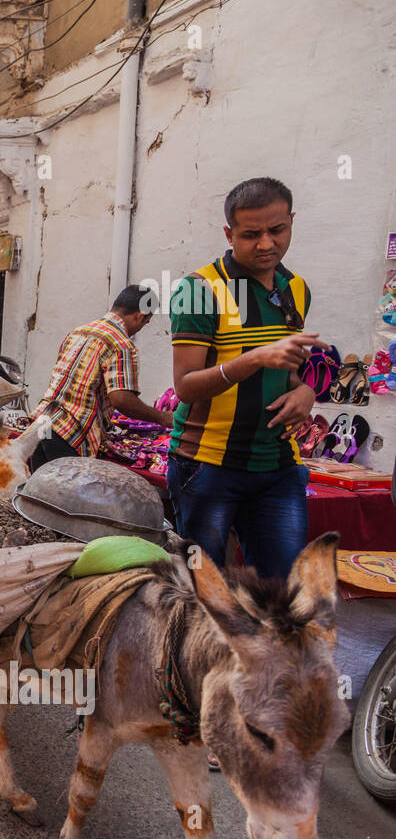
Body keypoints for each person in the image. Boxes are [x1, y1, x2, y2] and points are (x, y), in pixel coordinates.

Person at [167, 177, 319, 579]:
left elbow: (288, 373)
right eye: (251, 235)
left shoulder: (296, 288)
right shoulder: (199, 290)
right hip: (208, 465)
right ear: (229, 233)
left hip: (279, 466)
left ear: (291, 221)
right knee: (204, 589)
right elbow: (185, 386)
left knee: (282, 589)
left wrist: (306, 391)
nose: (266, 244)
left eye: (277, 230)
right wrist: (251, 359)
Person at [29, 285, 174, 471]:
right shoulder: (121, 344)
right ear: (140, 315)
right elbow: (121, 398)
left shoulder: (78, 332)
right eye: (145, 323)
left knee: (38, 493)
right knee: (62, 497)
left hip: (42, 423)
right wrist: (162, 417)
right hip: (68, 432)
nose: (140, 328)